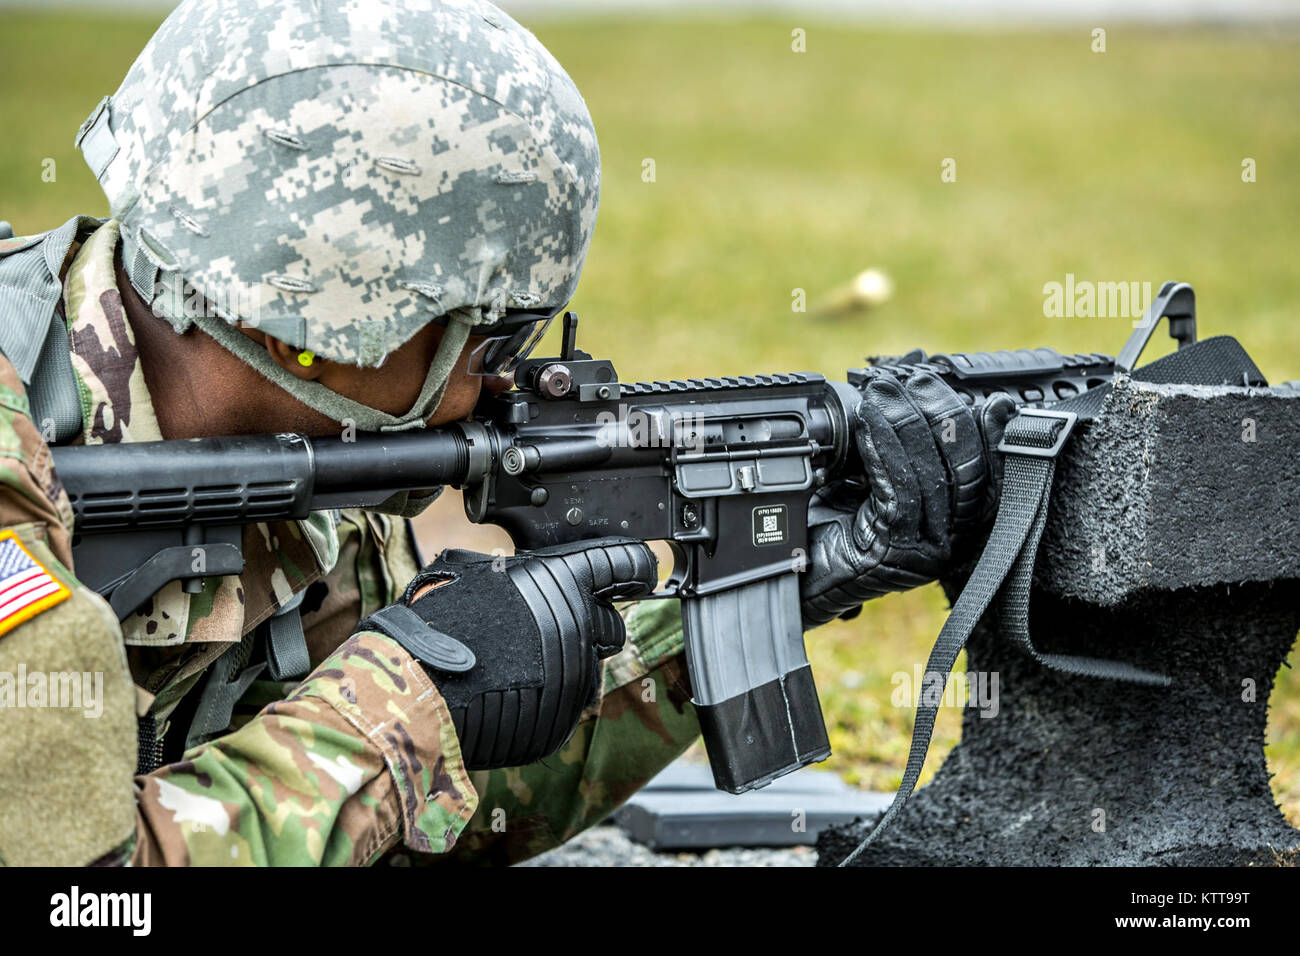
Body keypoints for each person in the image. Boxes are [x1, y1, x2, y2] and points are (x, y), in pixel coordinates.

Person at [0, 0, 1010, 866]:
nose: (511, 374)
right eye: (490, 331)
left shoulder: (319, 461)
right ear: (314, 325)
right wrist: (403, 695)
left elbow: (383, 822)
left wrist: (794, 574)